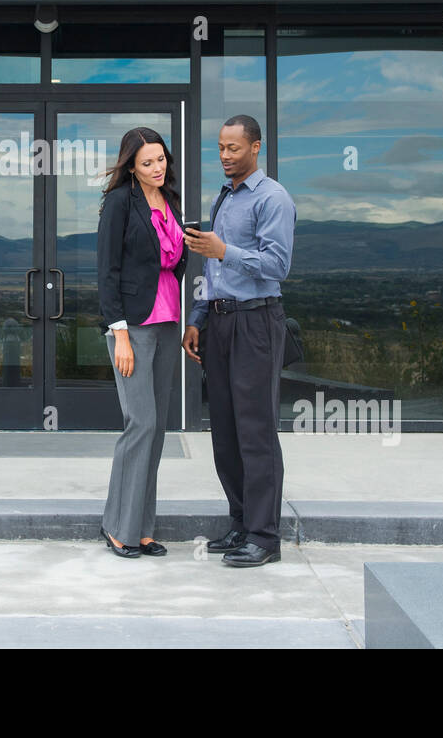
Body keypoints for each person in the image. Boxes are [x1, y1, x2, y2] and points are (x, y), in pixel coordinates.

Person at [182, 115, 295, 568]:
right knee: (226, 431)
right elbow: (214, 272)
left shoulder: (272, 198)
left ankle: (265, 537)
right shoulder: (224, 198)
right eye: (221, 148)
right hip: (221, 322)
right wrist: (198, 317)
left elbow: (278, 266)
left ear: (255, 147)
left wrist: (223, 250)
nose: (225, 155)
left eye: (234, 147)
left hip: (256, 322)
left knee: (256, 430)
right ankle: (241, 523)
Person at [96, 127, 188, 559]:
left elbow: (174, 261)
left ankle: (142, 528)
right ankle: (117, 526)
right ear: (131, 166)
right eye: (147, 162)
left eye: (161, 159)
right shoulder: (119, 203)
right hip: (132, 327)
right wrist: (120, 335)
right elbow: (107, 271)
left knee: (157, 430)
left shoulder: (170, 201)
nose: (156, 167)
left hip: (168, 322)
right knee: (141, 424)